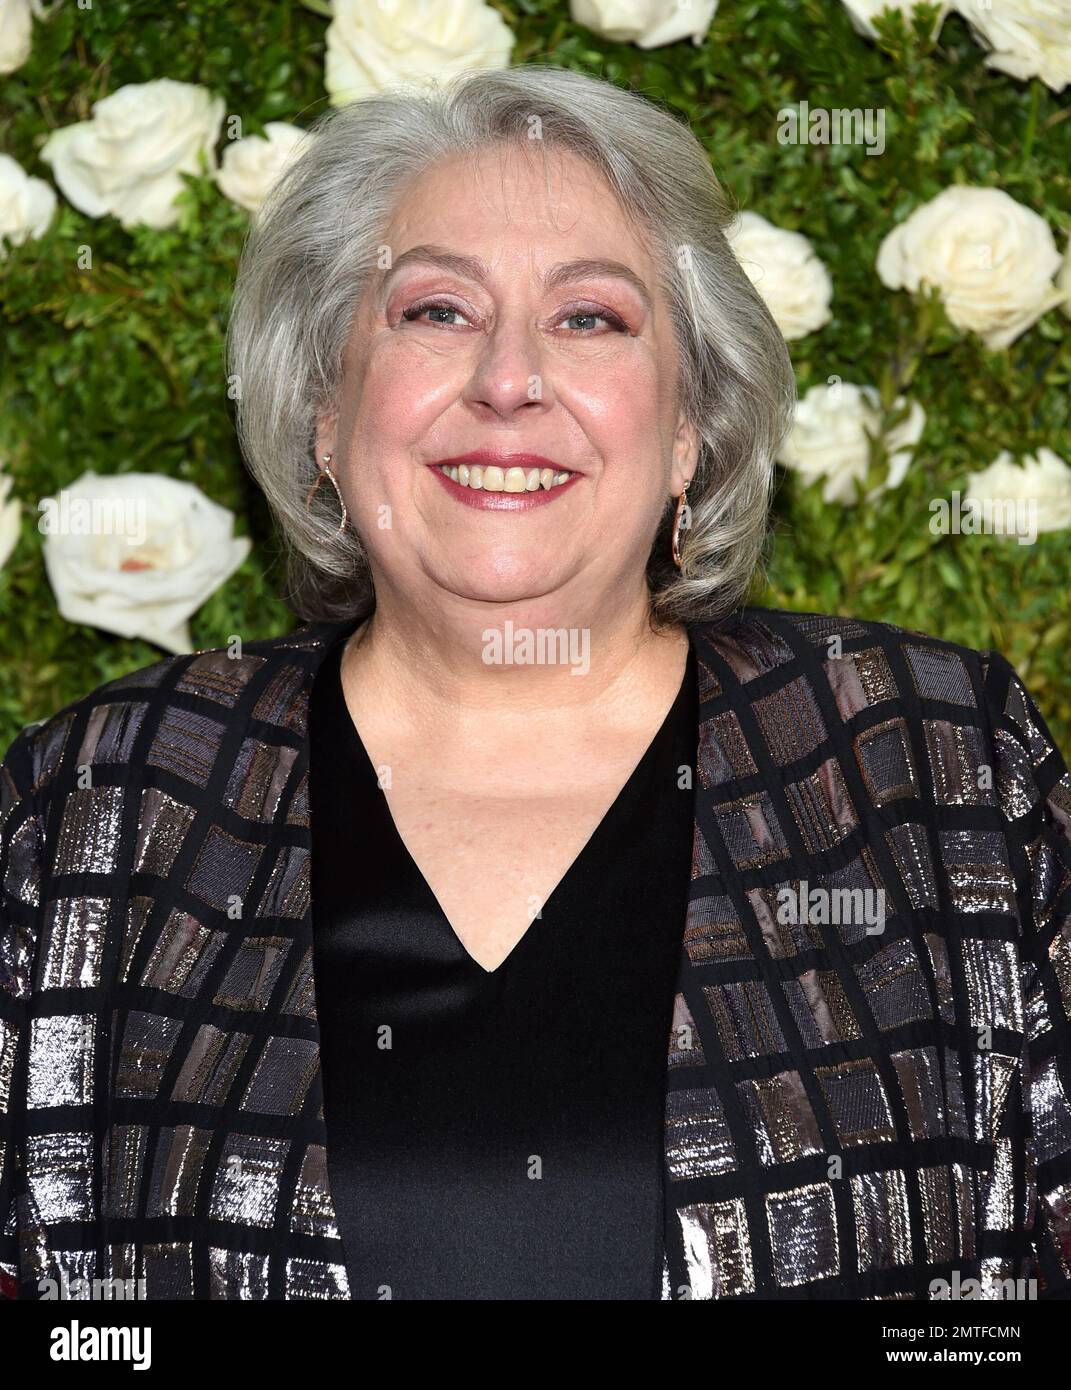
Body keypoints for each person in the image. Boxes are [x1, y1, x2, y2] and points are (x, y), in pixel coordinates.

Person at [2, 64, 1069, 1302]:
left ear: (689, 431)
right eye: (436, 311)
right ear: (321, 416)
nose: (508, 379)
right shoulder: (106, 797)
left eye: (590, 320)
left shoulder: (931, 763)